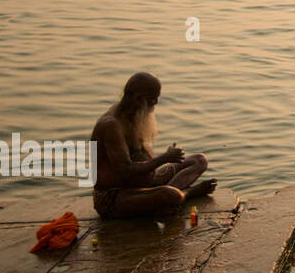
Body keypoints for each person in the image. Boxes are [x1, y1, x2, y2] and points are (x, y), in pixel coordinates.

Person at [90, 72, 216, 218]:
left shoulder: (132, 114)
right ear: (138, 99)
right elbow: (125, 170)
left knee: (199, 160)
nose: (156, 103)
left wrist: (166, 156)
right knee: (170, 195)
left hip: (145, 183)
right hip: (115, 197)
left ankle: (166, 198)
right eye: (152, 99)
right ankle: (187, 193)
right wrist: (163, 159)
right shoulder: (112, 125)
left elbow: (139, 153)